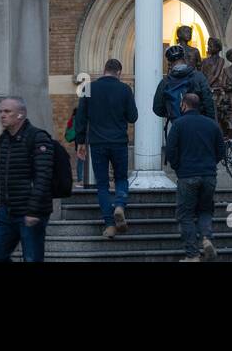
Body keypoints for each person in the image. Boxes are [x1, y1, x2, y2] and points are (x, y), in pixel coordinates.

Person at [74, 58, 138, 238]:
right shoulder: (125, 89)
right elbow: (133, 117)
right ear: (119, 72)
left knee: (101, 184)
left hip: (97, 143)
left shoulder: (88, 88)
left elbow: (81, 118)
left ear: (104, 70)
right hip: (119, 142)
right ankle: (119, 205)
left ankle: (109, 225)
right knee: (120, 177)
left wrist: (80, 142)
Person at [0, 96, 55, 262]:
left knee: (32, 258)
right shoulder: (3, 140)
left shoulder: (38, 137)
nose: (2, 115)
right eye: (1, 111)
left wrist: (33, 210)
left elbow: (43, 176)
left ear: (20, 115)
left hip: (30, 211)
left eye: (7, 111)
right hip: (7, 211)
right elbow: (1, 173)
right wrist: (0, 204)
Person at [165, 92, 225, 262]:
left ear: (183, 105)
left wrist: (178, 167)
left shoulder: (178, 124)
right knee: (205, 210)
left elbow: (170, 150)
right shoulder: (212, 125)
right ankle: (206, 238)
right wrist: (210, 164)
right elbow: (221, 151)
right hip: (208, 175)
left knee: (185, 214)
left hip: (188, 175)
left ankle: (192, 254)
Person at [153, 45, 215, 129]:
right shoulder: (199, 77)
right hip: (198, 126)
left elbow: (157, 108)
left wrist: (171, 113)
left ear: (169, 63)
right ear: (184, 58)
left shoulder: (165, 82)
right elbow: (208, 103)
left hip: (176, 126)